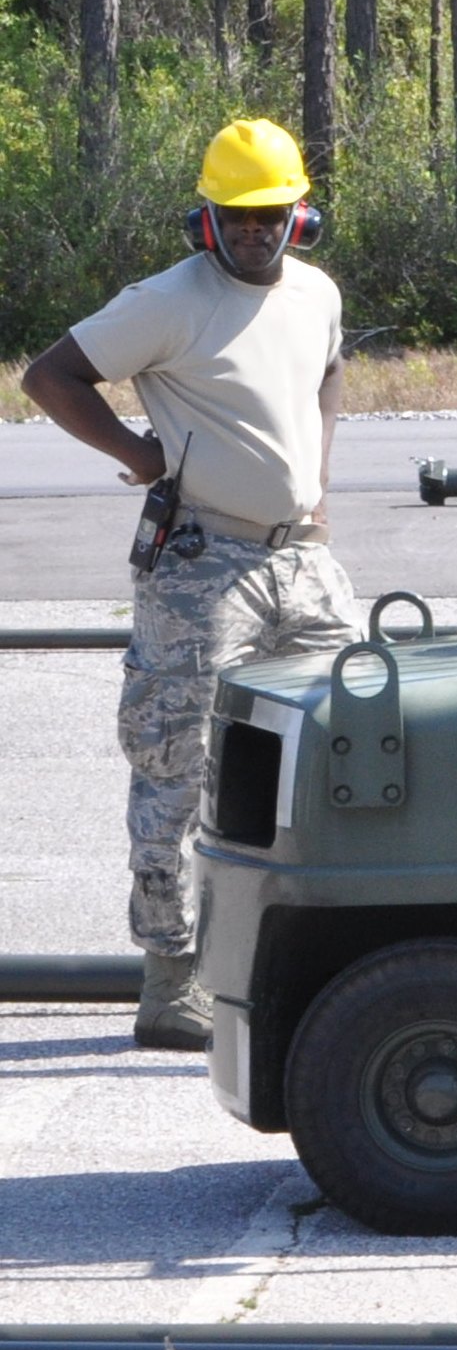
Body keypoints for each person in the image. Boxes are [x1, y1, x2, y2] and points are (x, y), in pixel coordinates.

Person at [22, 120, 362, 1051]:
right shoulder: (169, 301)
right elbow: (51, 376)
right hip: (204, 567)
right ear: (202, 219)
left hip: (302, 558)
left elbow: (329, 371)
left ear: (303, 214)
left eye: (270, 216)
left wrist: (317, 478)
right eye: (234, 217)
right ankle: (171, 977)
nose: (253, 233)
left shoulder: (316, 292)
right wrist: (139, 454)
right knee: (175, 766)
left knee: (352, 749)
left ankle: (317, 949)